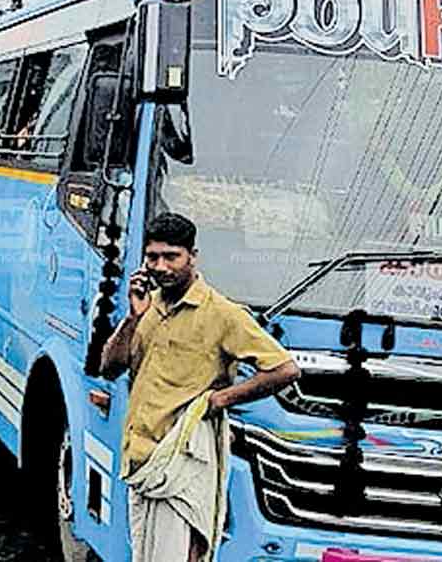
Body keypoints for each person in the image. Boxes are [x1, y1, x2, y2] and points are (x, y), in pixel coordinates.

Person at [99, 212, 301, 562]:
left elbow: (285, 369)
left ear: (192, 256)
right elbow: (109, 368)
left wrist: (218, 400)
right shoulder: (147, 308)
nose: (161, 267)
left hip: (184, 462)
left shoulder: (222, 313)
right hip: (142, 461)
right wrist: (132, 318)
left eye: (171, 257)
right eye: (153, 257)